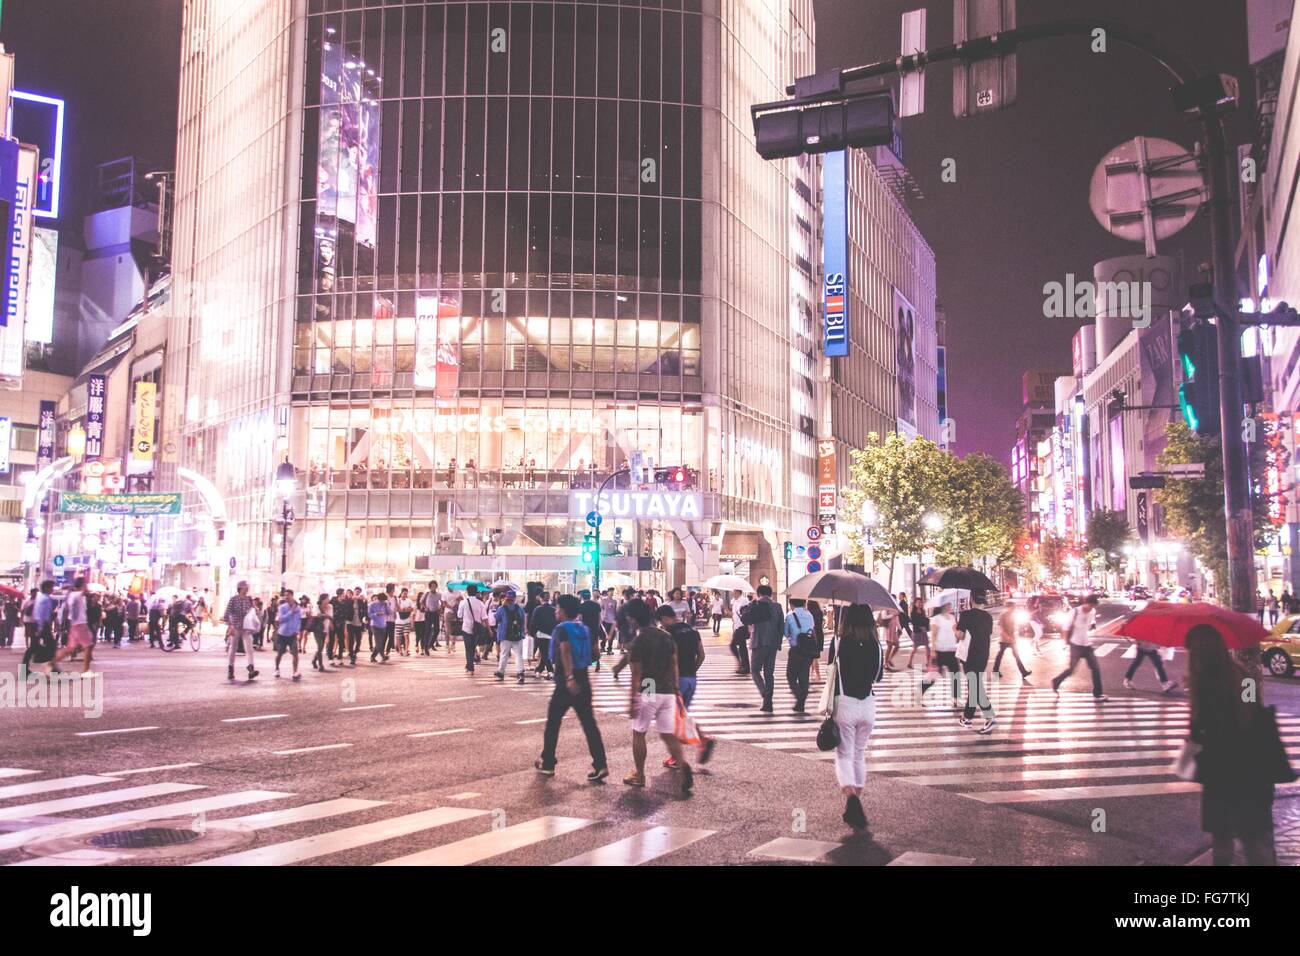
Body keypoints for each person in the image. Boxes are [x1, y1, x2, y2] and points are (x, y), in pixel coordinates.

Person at [1186, 625, 1278, 865]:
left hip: (1222, 774)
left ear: (1198, 654)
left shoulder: (1204, 685)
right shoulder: (1241, 676)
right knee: (1253, 840)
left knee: (1223, 841)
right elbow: (1254, 714)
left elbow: (1199, 733)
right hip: (1252, 770)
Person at [535, 594, 609, 782]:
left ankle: (548, 763)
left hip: (566, 680)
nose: (556, 611)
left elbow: (565, 650)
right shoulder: (584, 629)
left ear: (565, 611)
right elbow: (595, 653)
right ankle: (600, 764)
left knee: (553, 722)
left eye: (558, 608)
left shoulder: (562, 629)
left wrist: (569, 676)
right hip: (584, 678)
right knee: (589, 723)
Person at [623, 601, 693, 794]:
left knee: (639, 731)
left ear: (635, 618)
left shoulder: (638, 641)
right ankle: (682, 763)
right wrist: (676, 688)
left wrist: (632, 701)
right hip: (668, 688)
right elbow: (674, 664)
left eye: (629, 617)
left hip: (649, 685)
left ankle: (639, 774)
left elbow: (636, 674)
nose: (628, 620)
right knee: (667, 733)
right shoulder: (667, 636)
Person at [825, 604, 884, 831]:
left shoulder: (839, 642)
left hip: (846, 703)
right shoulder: (876, 645)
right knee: (859, 754)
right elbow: (878, 676)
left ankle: (851, 797)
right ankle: (855, 802)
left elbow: (831, 669)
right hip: (867, 704)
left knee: (844, 754)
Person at [657, 604, 715, 765]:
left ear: (665, 619)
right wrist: (692, 671)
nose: (662, 626)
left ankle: (680, 755)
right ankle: (703, 740)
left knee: (672, 718)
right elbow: (701, 656)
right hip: (691, 679)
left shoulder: (669, 634)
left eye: (661, 622)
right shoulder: (693, 631)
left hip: (677, 680)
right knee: (681, 715)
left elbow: (669, 660)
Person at [1051, 594, 1107, 701]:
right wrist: (1065, 643)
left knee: (1095, 668)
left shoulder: (1092, 611)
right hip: (1075, 644)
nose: (1092, 607)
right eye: (1091, 605)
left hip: (1086, 644)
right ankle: (1056, 681)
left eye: (1093, 605)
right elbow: (1066, 628)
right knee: (1072, 670)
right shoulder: (1075, 612)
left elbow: (1090, 624)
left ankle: (1098, 693)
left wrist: (1092, 625)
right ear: (1086, 603)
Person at [956, 591, 996, 733]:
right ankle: (967, 718)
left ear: (970, 599)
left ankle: (990, 716)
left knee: (975, 686)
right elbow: (987, 634)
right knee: (974, 685)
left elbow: (960, 635)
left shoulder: (966, 615)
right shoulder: (988, 617)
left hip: (970, 655)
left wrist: (956, 628)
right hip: (983, 655)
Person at [742, 585, 784, 713]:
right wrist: (778, 642)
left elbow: (745, 619)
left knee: (755, 670)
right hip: (772, 644)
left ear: (758, 593)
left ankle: (765, 693)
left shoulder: (755, 604)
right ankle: (768, 702)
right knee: (769, 673)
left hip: (758, 642)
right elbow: (781, 626)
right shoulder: (777, 606)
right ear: (771, 594)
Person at [51, 577, 95, 675]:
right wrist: (85, 582)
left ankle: (51, 662)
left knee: (70, 648)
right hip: (80, 624)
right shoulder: (77, 595)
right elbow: (85, 591)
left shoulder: (71, 595)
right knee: (88, 646)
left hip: (75, 624)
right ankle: (86, 671)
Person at [921, 603, 961, 706]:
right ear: (943, 606)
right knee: (934, 675)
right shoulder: (936, 619)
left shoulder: (952, 617)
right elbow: (933, 635)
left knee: (955, 674)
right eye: (948, 604)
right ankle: (921, 691)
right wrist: (933, 650)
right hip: (940, 650)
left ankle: (955, 698)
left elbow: (954, 631)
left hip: (951, 649)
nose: (950, 605)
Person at [784, 597, 817, 713]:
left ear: (791, 604)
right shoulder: (810, 615)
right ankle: (801, 702)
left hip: (796, 649)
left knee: (791, 676)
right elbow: (812, 629)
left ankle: (800, 698)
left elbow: (786, 632)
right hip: (808, 650)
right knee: (804, 677)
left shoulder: (789, 616)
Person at [223, 581, 258, 681]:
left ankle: (251, 668)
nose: (247, 589)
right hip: (236, 627)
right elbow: (226, 614)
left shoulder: (248, 599)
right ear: (241, 588)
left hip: (247, 628)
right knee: (233, 648)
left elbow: (252, 612)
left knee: (249, 648)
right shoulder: (233, 600)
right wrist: (231, 626)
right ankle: (231, 669)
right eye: (246, 587)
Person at [21, 580, 58, 675]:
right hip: (42, 625)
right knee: (51, 647)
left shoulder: (41, 598)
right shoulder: (45, 599)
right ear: (46, 588)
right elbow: (40, 614)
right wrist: (40, 628)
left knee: (33, 647)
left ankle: (24, 670)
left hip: (39, 625)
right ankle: (52, 670)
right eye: (51, 587)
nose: (52, 589)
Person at [993, 601, 1032, 683]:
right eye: (1013, 607)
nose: (1014, 609)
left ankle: (1023, 672)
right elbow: (1002, 628)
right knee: (1000, 655)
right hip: (1005, 639)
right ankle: (995, 671)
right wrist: (1007, 636)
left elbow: (1014, 627)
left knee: (1015, 656)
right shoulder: (1003, 615)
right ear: (1009, 607)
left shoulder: (1013, 615)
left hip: (1011, 639)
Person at [494, 590, 528, 683]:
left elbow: (497, 618)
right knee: (518, 655)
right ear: (514, 598)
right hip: (518, 635)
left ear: (506, 598)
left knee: (504, 654)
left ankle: (500, 673)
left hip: (505, 635)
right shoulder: (520, 609)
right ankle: (520, 673)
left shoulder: (502, 608)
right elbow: (523, 620)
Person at [458, 585, 488, 674]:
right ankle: (469, 665)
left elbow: (459, 615)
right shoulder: (480, 603)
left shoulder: (463, 603)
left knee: (468, 647)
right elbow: (484, 617)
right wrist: (488, 629)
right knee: (473, 647)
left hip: (466, 628)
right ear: (476, 592)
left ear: (467, 591)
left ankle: (470, 665)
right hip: (477, 629)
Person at [275, 591, 303, 680]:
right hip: (282, 633)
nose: (286, 597)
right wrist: (291, 612)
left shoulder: (298, 608)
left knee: (295, 653)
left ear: (292, 596)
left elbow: (298, 620)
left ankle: (295, 672)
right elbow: (281, 619)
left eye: (288, 595)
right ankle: (276, 668)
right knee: (280, 653)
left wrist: (297, 630)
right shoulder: (282, 607)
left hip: (292, 634)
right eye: (285, 595)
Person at [529, 591, 557, 679]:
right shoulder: (553, 609)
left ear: (541, 599)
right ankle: (539, 670)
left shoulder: (538, 609)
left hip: (541, 634)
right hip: (551, 634)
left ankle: (551, 671)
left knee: (544, 654)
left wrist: (532, 633)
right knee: (544, 653)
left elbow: (533, 622)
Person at [576, 589, 604, 672]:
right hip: (595, 628)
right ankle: (597, 662)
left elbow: (580, 618)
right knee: (595, 646)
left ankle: (584, 664)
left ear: (582, 596)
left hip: (584, 629)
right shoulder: (596, 605)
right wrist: (597, 627)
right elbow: (600, 618)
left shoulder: (581, 606)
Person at [729, 588, 751, 675]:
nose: (733, 594)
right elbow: (734, 615)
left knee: (733, 645)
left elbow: (744, 613)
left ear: (738, 592)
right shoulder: (734, 602)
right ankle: (744, 666)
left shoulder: (744, 600)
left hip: (742, 627)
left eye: (734, 592)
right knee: (742, 647)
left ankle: (742, 665)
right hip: (737, 627)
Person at [368, 591, 391, 663]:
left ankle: (373, 656)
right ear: (378, 599)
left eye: (384, 601)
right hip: (374, 625)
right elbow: (369, 614)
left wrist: (387, 605)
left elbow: (389, 613)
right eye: (381, 601)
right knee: (378, 641)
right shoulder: (372, 604)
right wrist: (376, 614)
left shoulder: (385, 604)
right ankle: (382, 655)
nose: (382, 602)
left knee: (380, 642)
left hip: (383, 624)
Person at [907, 599, 930, 670]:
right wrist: (921, 628)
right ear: (915, 604)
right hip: (917, 632)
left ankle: (928, 663)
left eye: (921, 602)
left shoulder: (923, 611)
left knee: (927, 647)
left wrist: (927, 623)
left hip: (923, 632)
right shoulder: (913, 613)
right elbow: (914, 623)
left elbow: (925, 621)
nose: (920, 604)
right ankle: (909, 663)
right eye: (918, 602)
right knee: (915, 648)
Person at [310, 593, 331, 671]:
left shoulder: (330, 607)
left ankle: (314, 660)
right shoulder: (317, 607)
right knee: (320, 645)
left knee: (321, 647)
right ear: (323, 599)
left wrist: (325, 616)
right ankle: (321, 665)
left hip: (325, 629)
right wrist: (326, 616)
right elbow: (317, 615)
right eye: (327, 598)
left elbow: (331, 616)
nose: (329, 600)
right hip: (317, 629)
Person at [394, 587, 413, 656]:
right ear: (401, 593)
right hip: (398, 621)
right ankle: (399, 650)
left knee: (406, 635)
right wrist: (406, 609)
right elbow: (397, 609)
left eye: (406, 594)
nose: (405, 595)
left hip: (407, 621)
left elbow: (412, 609)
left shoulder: (409, 601)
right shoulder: (397, 600)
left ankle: (406, 650)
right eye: (404, 593)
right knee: (398, 636)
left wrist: (403, 609)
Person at [599, 588, 618, 653]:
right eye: (610, 591)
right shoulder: (603, 600)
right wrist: (601, 618)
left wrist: (616, 619)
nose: (611, 593)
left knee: (612, 635)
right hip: (605, 620)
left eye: (612, 591)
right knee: (605, 635)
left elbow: (615, 611)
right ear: (608, 592)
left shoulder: (614, 601)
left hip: (612, 621)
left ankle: (609, 648)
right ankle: (602, 646)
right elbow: (600, 609)